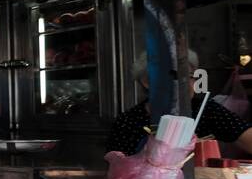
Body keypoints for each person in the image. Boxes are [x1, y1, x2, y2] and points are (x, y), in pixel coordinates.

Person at [108, 52, 252, 155]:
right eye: (177, 76)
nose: (187, 84)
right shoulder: (128, 122)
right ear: (147, 81)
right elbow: (117, 170)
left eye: (190, 77)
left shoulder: (205, 110)